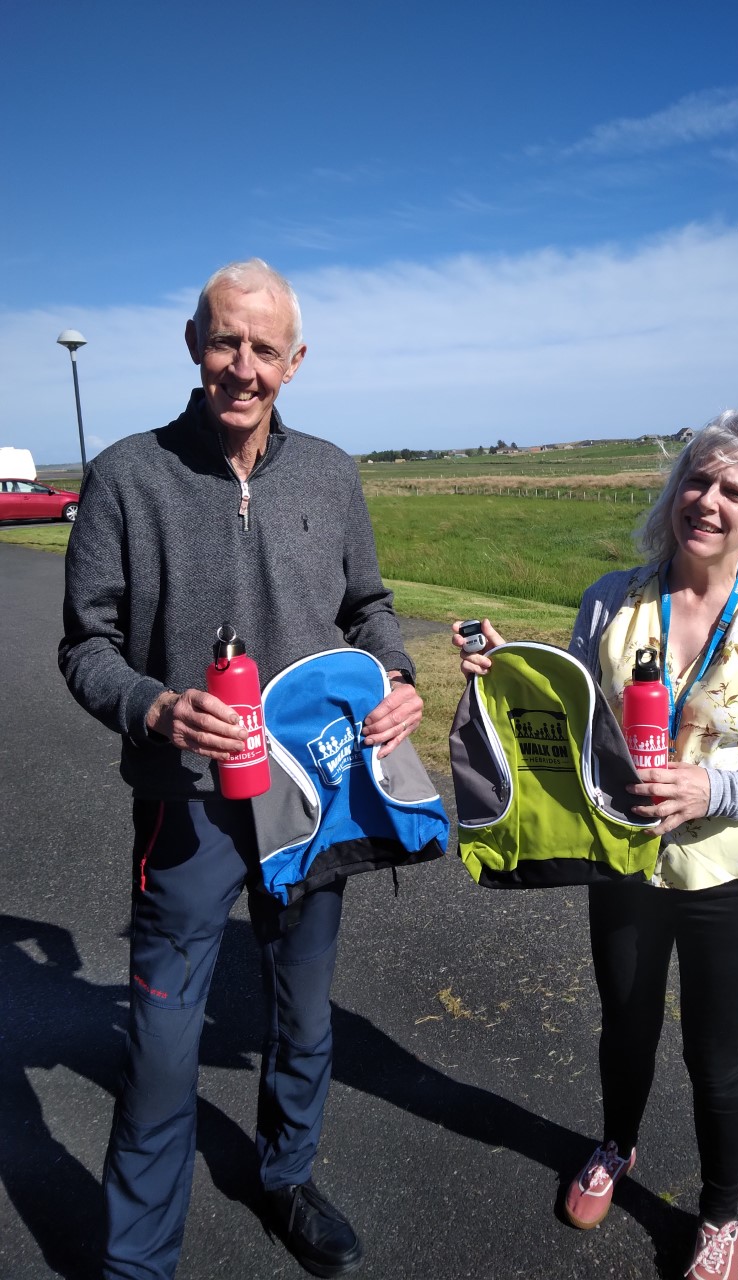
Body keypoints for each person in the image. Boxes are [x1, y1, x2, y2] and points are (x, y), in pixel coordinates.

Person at [60, 259, 425, 1280]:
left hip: (312, 794)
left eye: (266, 348)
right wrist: (157, 706)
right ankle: (138, 1259)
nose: (245, 365)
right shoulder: (129, 474)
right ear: (192, 343)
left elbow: (369, 605)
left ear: (296, 360)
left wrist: (397, 672)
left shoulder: (331, 473)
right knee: (165, 1052)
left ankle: (286, 1175)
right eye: (227, 340)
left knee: (304, 1014)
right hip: (187, 808)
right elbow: (85, 646)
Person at [454, 405, 738, 1280]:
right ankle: (616, 1147)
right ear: (674, 491)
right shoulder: (611, 599)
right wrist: (511, 674)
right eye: (697, 479)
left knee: (716, 1053)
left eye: (735, 490)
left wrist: (713, 787)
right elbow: (579, 722)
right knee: (624, 1027)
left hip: (730, 871)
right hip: (621, 862)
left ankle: (720, 1214)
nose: (709, 500)